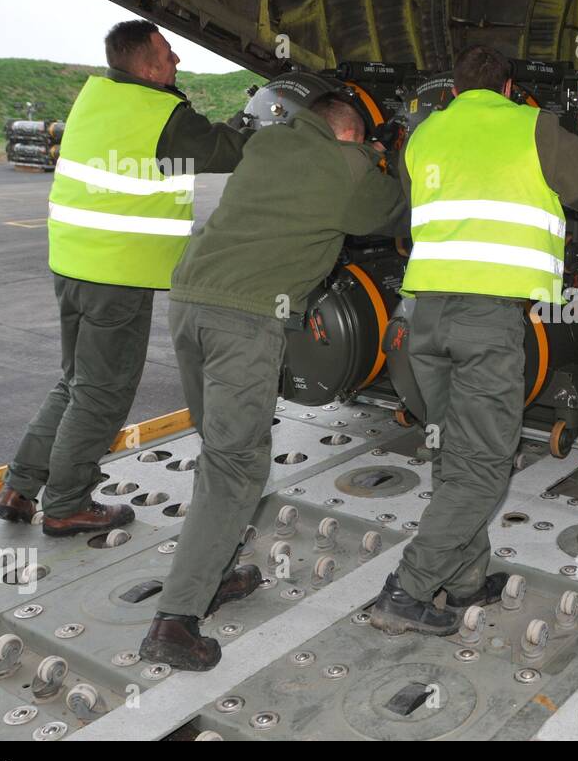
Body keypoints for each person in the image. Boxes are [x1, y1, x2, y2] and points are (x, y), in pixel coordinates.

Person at [139, 83, 407, 670]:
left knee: (219, 451)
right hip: (244, 321)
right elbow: (395, 213)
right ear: (351, 133)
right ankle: (175, 621)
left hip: (187, 305)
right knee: (235, 465)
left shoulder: (263, 147)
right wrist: (394, 159)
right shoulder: (347, 166)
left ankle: (209, 575)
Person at [368, 45, 578, 637]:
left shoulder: (424, 135)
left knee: (456, 453)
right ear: (510, 88)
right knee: (485, 467)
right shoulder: (533, 127)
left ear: (456, 89)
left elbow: (410, 214)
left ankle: (462, 580)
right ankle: (406, 591)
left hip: (425, 317)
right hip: (486, 321)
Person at [0, 20, 247, 536]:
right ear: (148, 64)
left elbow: (167, 162)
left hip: (72, 264)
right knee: (102, 393)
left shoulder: (97, 98)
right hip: (116, 275)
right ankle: (66, 505)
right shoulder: (160, 113)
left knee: (75, 382)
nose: (177, 62)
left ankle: (21, 487)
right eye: (170, 54)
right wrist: (256, 124)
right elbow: (227, 151)